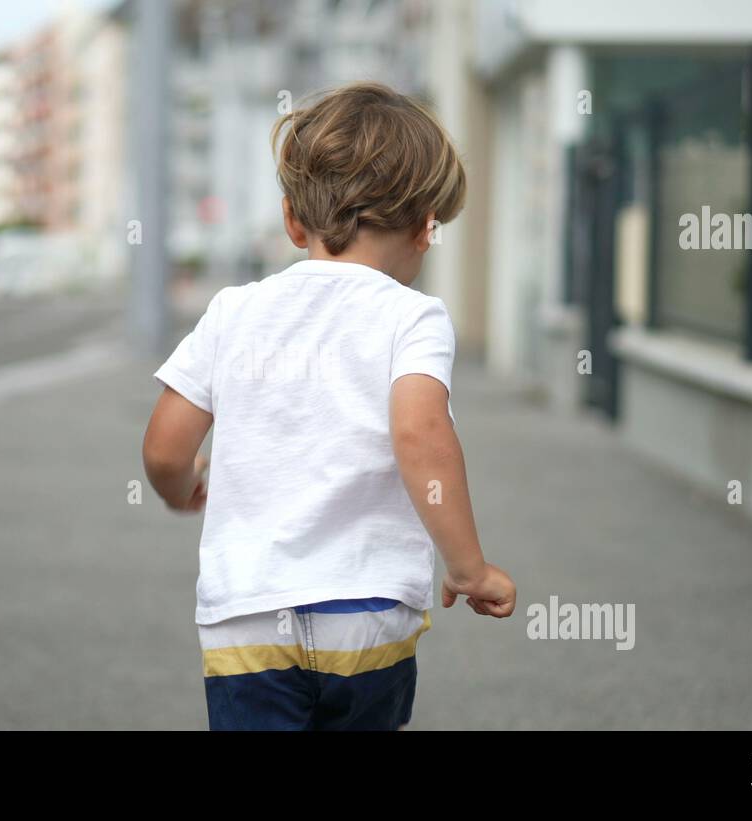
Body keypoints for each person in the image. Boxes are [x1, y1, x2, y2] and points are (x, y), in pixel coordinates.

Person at [142, 82, 517, 731]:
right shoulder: (413, 317)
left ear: (292, 219)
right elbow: (421, 436)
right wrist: (468, 564)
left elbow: (165, 447)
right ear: (427, 227)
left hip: (248, 615)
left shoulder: (235, 310)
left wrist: (181, 488)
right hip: (364, 613)